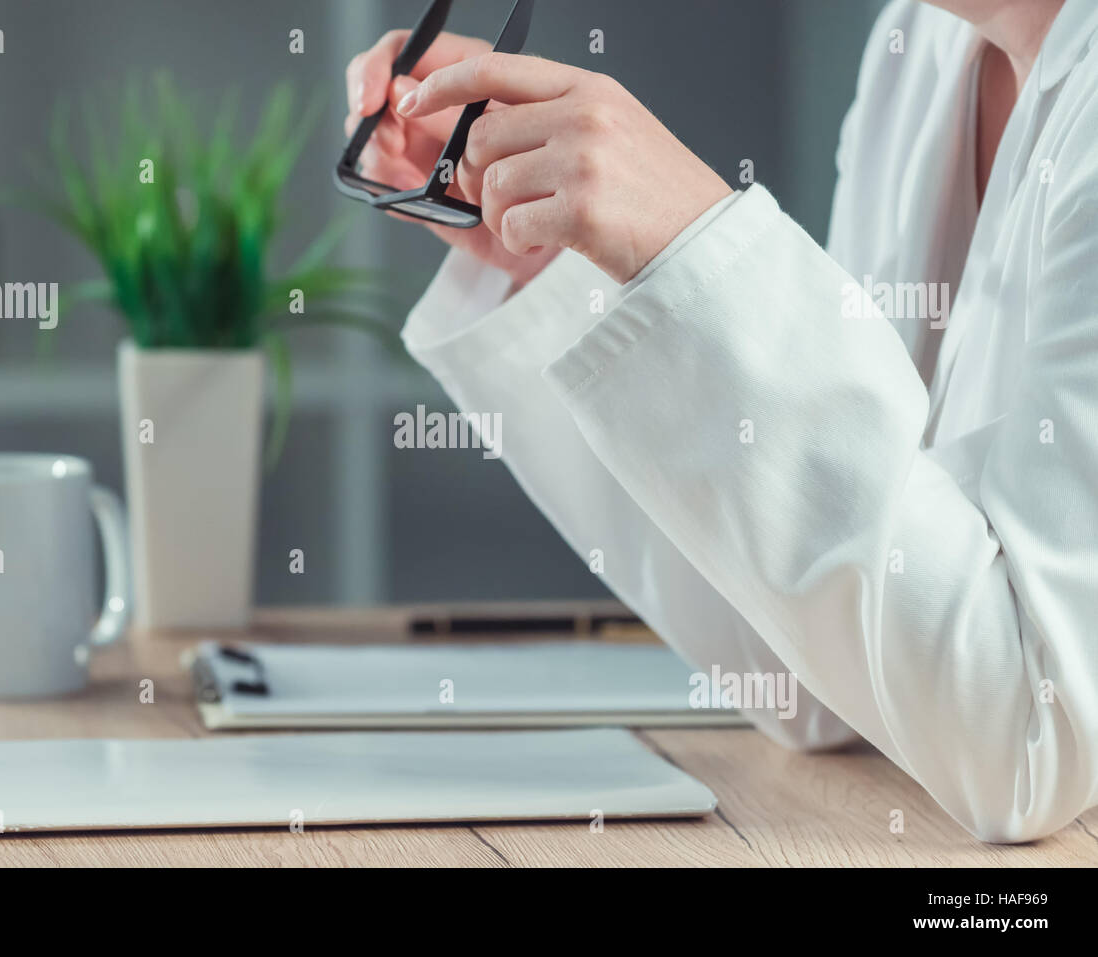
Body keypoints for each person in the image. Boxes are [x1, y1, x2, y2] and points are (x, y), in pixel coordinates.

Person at [343, 0, 1098, 844]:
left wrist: (692, 240)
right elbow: (816, 682)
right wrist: (567, 266)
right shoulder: (916, 46)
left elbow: (1032, 739)